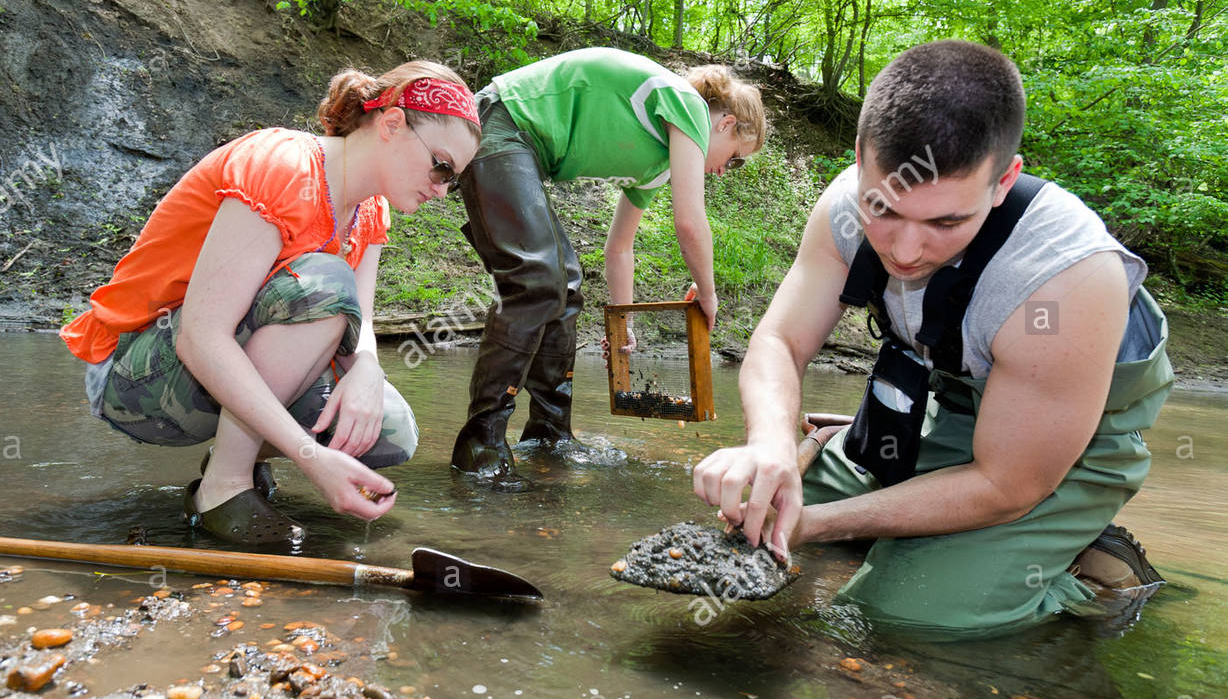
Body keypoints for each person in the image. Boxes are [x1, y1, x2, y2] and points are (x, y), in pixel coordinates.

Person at [692, 40, 1173, 638]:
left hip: (1060, 447)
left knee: (899, 613)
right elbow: (780, 343)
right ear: (861, 159)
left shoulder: (1065, 277)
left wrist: (815, 524)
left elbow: (1005, 484)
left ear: (1004, 182)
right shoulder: (845, 205)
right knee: (757, 506)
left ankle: (1092, 566)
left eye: (946, 222)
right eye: (883, 209)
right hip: (951, 403)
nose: (904, 249)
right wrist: (770, 447)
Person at [60, 63, 481, 543]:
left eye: (455, 180)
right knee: (325, 280)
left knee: (388, 429)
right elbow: (201, 335)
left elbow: (357, 319)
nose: (443, 189)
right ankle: (223, 487)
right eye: (442, 166)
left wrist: (367, 366)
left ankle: (228, 460)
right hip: (134, 371)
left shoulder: (371, 208)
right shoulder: (283, 167)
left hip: (201, 368)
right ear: (390, 124)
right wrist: (309, 455)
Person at [451, 46, 767, 478]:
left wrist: (624, 328)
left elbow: (619, 247)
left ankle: (548, 435)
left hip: (522, 147)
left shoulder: (657, 165)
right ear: (726, 123)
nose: (724, 171)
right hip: (500, 122)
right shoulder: (687, 104)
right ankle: (479, 445)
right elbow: (690, 223)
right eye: (735, 156)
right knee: (537, 276)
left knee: (563, 286)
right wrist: (708, 295)